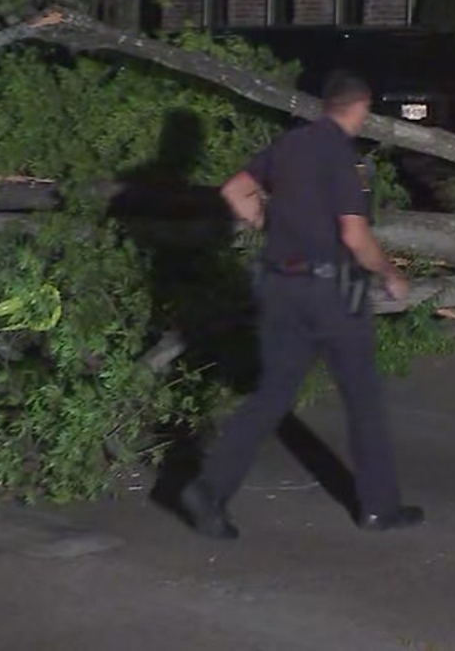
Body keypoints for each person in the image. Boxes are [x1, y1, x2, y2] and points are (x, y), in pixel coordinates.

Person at [178, 69, 424, 539]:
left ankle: (209, 491)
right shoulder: (340, 156)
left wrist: (266, 224)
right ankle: (378, 507)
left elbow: (234, 191)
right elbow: (354, 235)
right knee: (363, 399)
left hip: (279, 287)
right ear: (359, 110)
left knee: (271, 394)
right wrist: (389, 272)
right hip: (329, 294)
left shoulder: (288, 145)